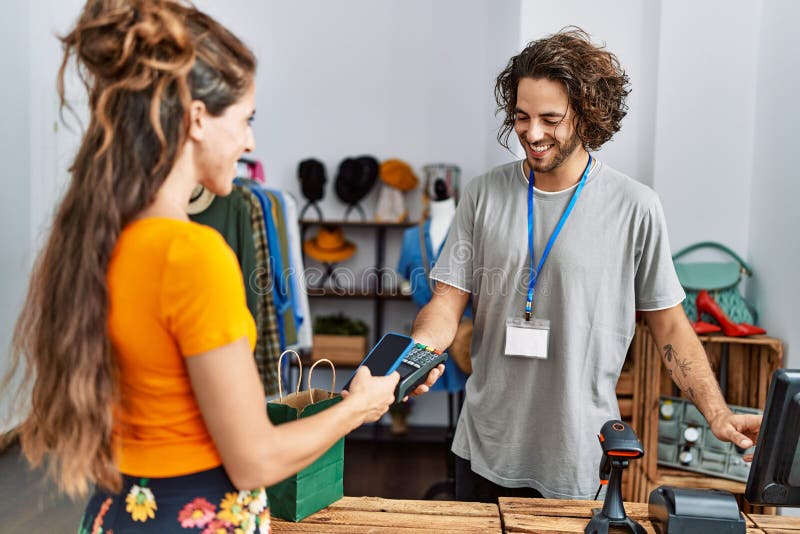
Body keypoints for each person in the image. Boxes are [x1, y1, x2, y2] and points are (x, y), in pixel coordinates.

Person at [2, 1, 413, 532]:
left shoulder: (96, 242)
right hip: (193, 518)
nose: (250, 143)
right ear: (197, 118)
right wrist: (358, 407)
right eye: (245, 120)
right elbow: (255, 460)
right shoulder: (193, 256)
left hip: (115, 513)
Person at [410, 27, 762, 502]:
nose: (532, 134)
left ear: (587, 115)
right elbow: (447, 303)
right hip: (484, 444)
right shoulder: (482, 194)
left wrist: (717, 414)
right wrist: (414, 356)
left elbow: (672, 328)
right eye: (522, 117)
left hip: (575, 454)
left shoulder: (635, 206)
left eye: (550, 119)